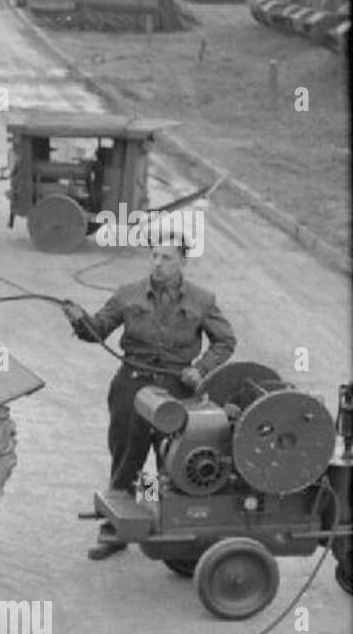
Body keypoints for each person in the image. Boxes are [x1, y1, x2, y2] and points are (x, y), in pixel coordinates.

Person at [62, 237, 236, 559]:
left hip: (177, 392)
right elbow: (97, 330)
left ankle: (165, 527)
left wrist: (200, 369)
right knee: (128, 457)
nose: (157, 263)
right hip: (133, 387)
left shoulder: (202, 300)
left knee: (170, 461)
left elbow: (225, 341)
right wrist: (79, 319)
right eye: (154, 256)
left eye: (167, 258)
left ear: (183, 262)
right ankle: (116, 530)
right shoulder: (128, 293)